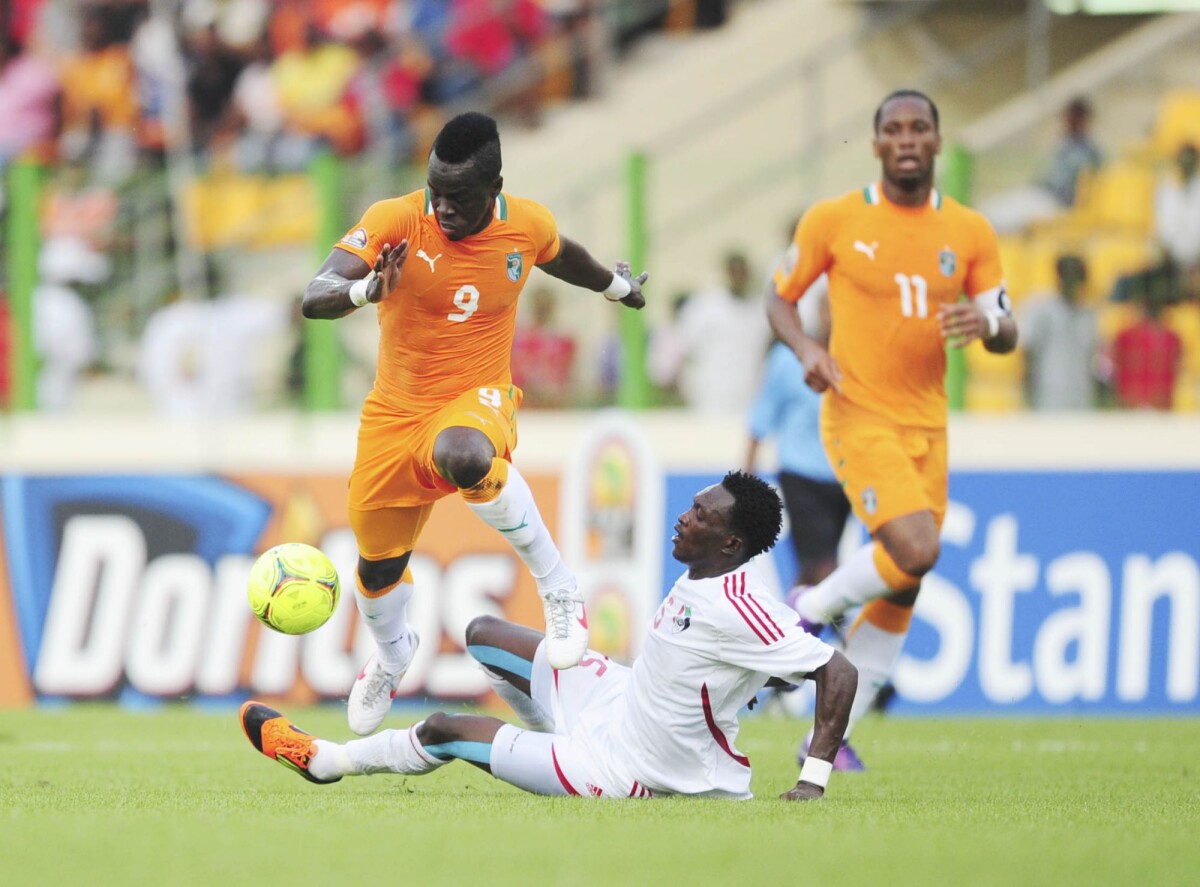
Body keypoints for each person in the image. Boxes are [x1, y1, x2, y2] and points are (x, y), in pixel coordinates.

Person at [301, 111, 647, 737]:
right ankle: (392, 655)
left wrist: (617, 288)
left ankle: (559, 587)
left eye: (459, 197)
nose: (443, 208)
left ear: (495, 189)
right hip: (394, 414)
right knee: (377, 571)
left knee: (464, 455)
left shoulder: (525, 225)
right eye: (435, 191)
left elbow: (562, 257)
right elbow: (314, 294)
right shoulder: (396, 220)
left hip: (475, 398)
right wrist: (364, 293)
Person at [239, 471, 857, 801]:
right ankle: (546, 737)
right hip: (617, 702)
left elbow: (838, 671)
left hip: (629, 769)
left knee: (446, 729)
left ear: (730, 542)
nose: (683, 517)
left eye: (700, 515)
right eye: (692, 505)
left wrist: (813, 780)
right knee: (483, 633)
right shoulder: (707, 576)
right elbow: (738, 660)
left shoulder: (741, 604)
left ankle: (327, 761)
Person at [767, 89, 1017, 770]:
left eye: (919, 128)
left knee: (905, 580)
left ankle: (826, 739)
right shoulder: (835, 220)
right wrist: (807, 349)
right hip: (857, 413)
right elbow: (779, 297)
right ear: (877, 144)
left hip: (928, 426)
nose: (907, 139)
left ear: (937, 141)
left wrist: (989, 323)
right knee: (917, 546)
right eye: (894, 129)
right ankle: (811, 603)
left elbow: (1007, 328)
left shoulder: (969, 231)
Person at [745, 278, 849, 588]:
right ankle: (841, 619)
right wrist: (746, 482)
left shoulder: (858, 363)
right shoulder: (788, 360)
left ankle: (795, 616)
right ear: (819, 312)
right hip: (800, 474)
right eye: (830, 309)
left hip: (843, 477)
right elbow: (760, 420)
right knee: (823, 564)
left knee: (814, 566)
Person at [661, 251, 771, 414]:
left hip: (750, 395)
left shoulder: (760, 311)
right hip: (710, 396)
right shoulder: (705, 307)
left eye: (742, 272)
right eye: (735, 272)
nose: (739, 277)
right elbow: (684, 349)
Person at [979, 96, 1103, 235]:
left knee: (1003, 220)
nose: (1066, 122)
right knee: (990, 211)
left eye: (1071, 119)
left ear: (1082, 120)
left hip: (1057, 203)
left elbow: (1091, 187)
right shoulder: (1063, 145)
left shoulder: (1091, 152)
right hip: (1040, 193)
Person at [1019, 254, 1099, 411]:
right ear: (1059, 278)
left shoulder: (1088, 314)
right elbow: (1028, 352)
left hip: (1081, 397)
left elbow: (1092, 357)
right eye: (1068, 278)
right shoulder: (1041, 309)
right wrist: (1028, 391)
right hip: (1047, 395)